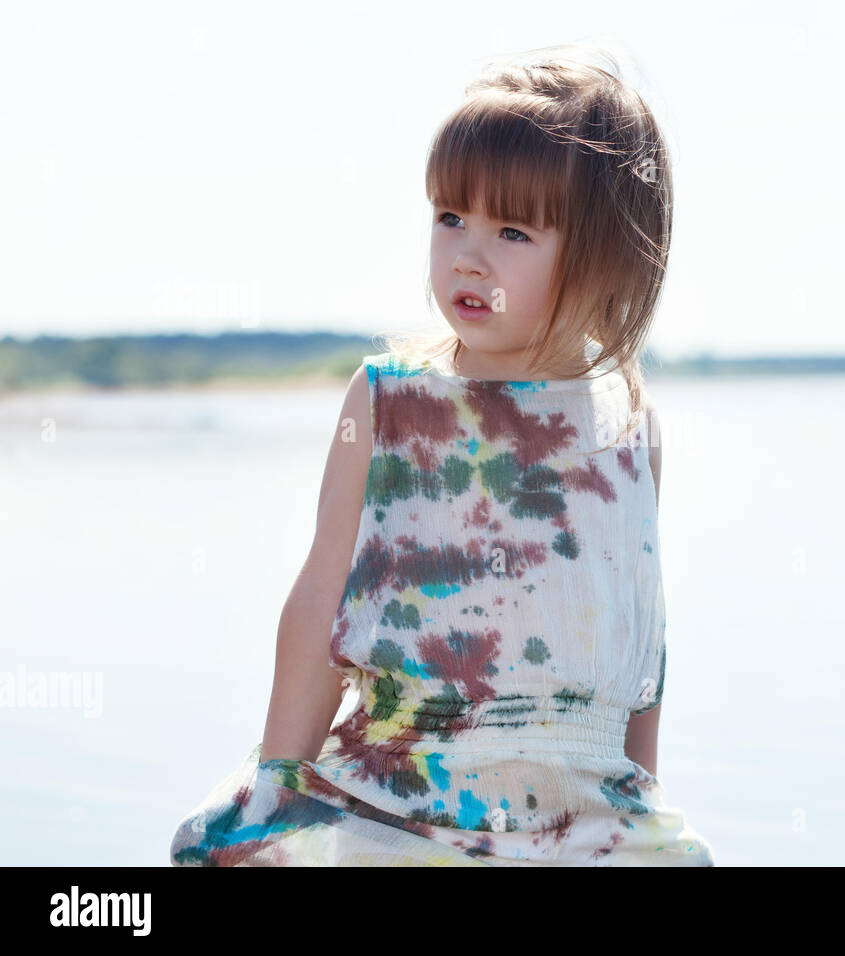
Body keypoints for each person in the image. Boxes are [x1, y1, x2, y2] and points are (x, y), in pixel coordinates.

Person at [168, 44, 716, 866]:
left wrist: (639, 809)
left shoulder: (627, 425)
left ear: (600, 257)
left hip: (576, 810)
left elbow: (641, 638)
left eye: (513, 230)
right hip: (398, 793)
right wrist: (277, 783)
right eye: (450, 217)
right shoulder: (389, 402)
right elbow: (321, 598)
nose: (468, 254)